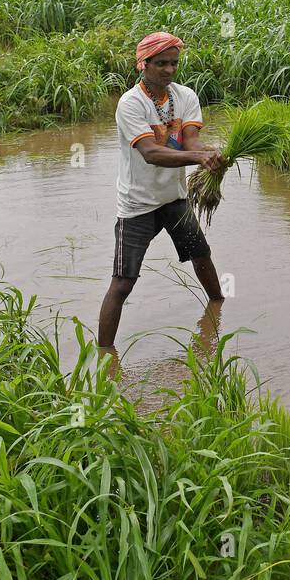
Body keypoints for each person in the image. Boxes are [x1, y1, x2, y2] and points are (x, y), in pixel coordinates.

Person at [97, 32, 224, 364]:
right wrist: (197, 159)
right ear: (144, 64)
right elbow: (151, 153)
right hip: (138, 204)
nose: (169, 70)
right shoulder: (131, 104)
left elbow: (192, 143)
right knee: (123, 283)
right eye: (161, 63)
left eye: (174, 63)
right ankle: (104, 358)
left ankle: (218, 314)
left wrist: (211, 155)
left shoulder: (185, 97)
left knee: (201, 256)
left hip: (174, 198)